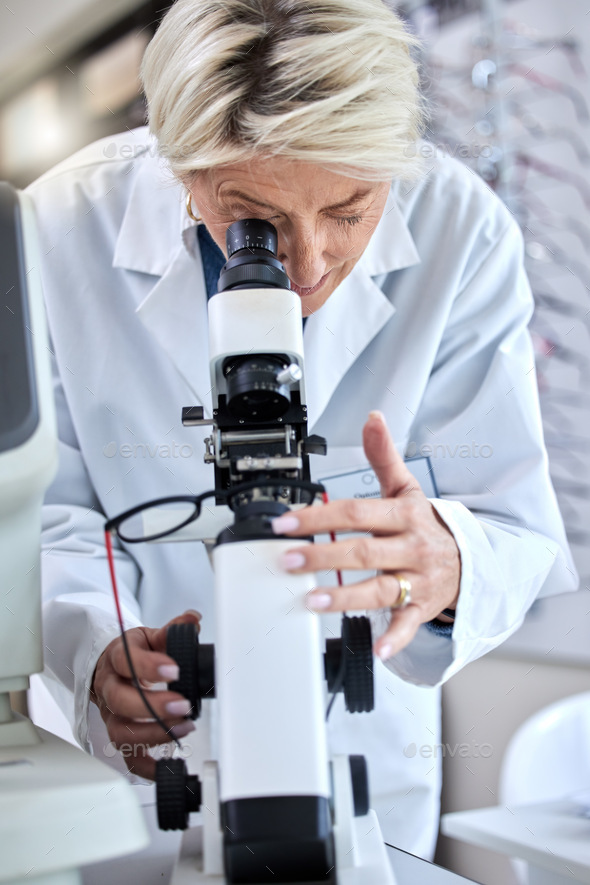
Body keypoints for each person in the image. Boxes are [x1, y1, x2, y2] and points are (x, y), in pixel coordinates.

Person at [28, 0, 577, 861]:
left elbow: (513, 524)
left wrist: (445, 557)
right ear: (179, 163)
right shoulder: (58, 229)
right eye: (257, 221)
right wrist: (95, 648)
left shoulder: (460, 231)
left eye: (351, 210)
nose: (311, 265)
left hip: (364, 756)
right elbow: (44, 511)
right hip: (137, 774)